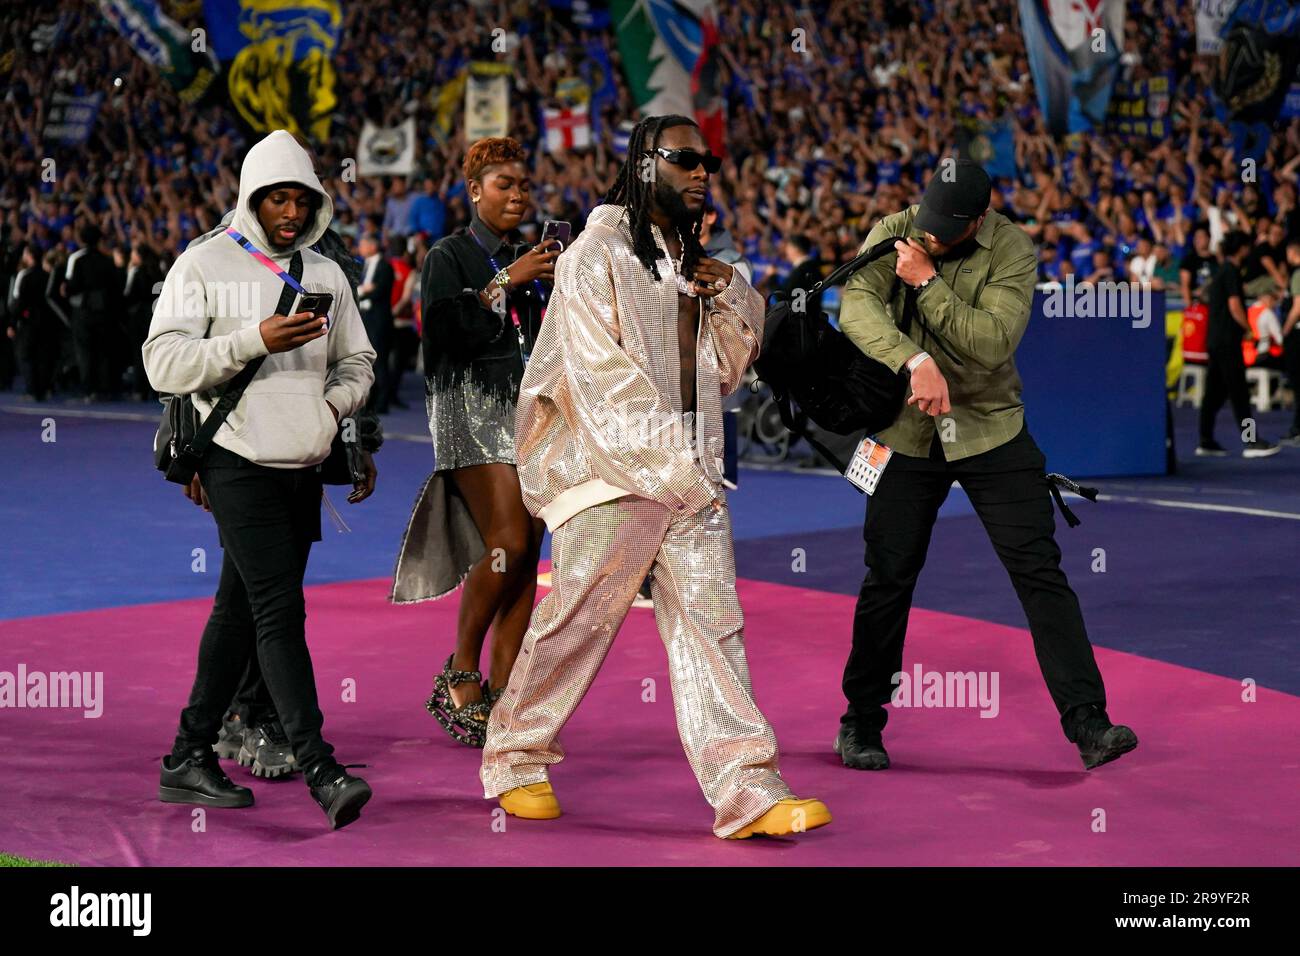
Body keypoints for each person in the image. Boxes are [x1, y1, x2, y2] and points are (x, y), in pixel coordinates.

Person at [478, 115, 831, 840]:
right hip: (611, 474)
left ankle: (747, 790)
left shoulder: (690, 261)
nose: (702, 172)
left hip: (687, 472)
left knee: (715, 627)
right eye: (684, 159)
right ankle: (514, 756)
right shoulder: (593, 253)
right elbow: (603, 383)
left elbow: (728, 371)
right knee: (575, 623)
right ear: (644, 165)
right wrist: (676, 469)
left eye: (710, 161)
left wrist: (728, 292)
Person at [836, 160, 1139, 773]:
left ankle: (1089, 723)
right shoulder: (893, 229)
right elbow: (856, 308)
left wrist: (925, 284)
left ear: (979, 220)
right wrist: (913, 359)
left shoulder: (1012, 249)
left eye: (948, 230)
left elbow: (993, 341)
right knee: (887, 578)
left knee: (1039, 571)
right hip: (904, 431)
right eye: (927, 226)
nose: (931, 237)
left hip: (990, 427)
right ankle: (860, 722)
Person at [143, 130, 377, 828]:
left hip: (301, 465)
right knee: (279, 612)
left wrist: (328, 406)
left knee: (240, 610)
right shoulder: (204, 262)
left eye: (301, 199)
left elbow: (358, 362)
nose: (289, 211)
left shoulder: (328, 274)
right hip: (236, 461)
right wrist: (255, 341)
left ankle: (188, 755)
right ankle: (320, 768)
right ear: (251, 197)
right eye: (277, 197)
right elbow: (163, 362)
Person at [391, 137, 555, 748]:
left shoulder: (531, 259)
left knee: (524, 555)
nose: (517, 194)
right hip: (468, 413)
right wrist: (503, 283)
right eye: (503, 184)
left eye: (522, 185)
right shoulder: (448, 255)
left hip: (529, 418)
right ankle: (459, 669)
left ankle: (506, 698)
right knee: (508, 541)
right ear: (474, 192)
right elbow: (441, 332)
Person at [1196, 231, 1281, 458]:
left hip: (1215, 341)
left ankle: (1205, 439)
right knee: (1240, 394)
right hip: (1228, 342)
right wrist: (1248, 329)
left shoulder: (1220, 272)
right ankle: (1251, 442)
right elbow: (1235, 306)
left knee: (1213, 393)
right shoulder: (1231, 272)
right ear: (1242, 248)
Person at [65, 224, 122, 401]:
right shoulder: (107, 260)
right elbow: (115, 287)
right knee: (103, 351)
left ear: (81, 239)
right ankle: (105, 389)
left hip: (84, 312)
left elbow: (72, 285)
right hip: (104, 312)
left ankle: (89, 390)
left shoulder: (78, 259)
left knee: (85, 352)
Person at [5, 244, 58, 401]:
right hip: (47, 321)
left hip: (28, 321)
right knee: (43, 355)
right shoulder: (48, 275)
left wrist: (12, 323)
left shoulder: (25, 275)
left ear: (29, 256)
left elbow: (18, 302)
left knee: (26, 355)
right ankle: (43, 388)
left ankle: (32, 389)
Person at [357, 232, 395, 413]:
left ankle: (382, 402)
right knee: (367, 360)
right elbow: (361, 288)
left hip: (379, 320)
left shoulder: (385, 266)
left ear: (372, 246)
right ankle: (369, 401)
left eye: (363, 245)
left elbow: (380, 291)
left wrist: (363, 291)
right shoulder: (363, 265)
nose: (360, 248)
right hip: (365, 317)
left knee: (379, 361)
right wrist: (364, 289)